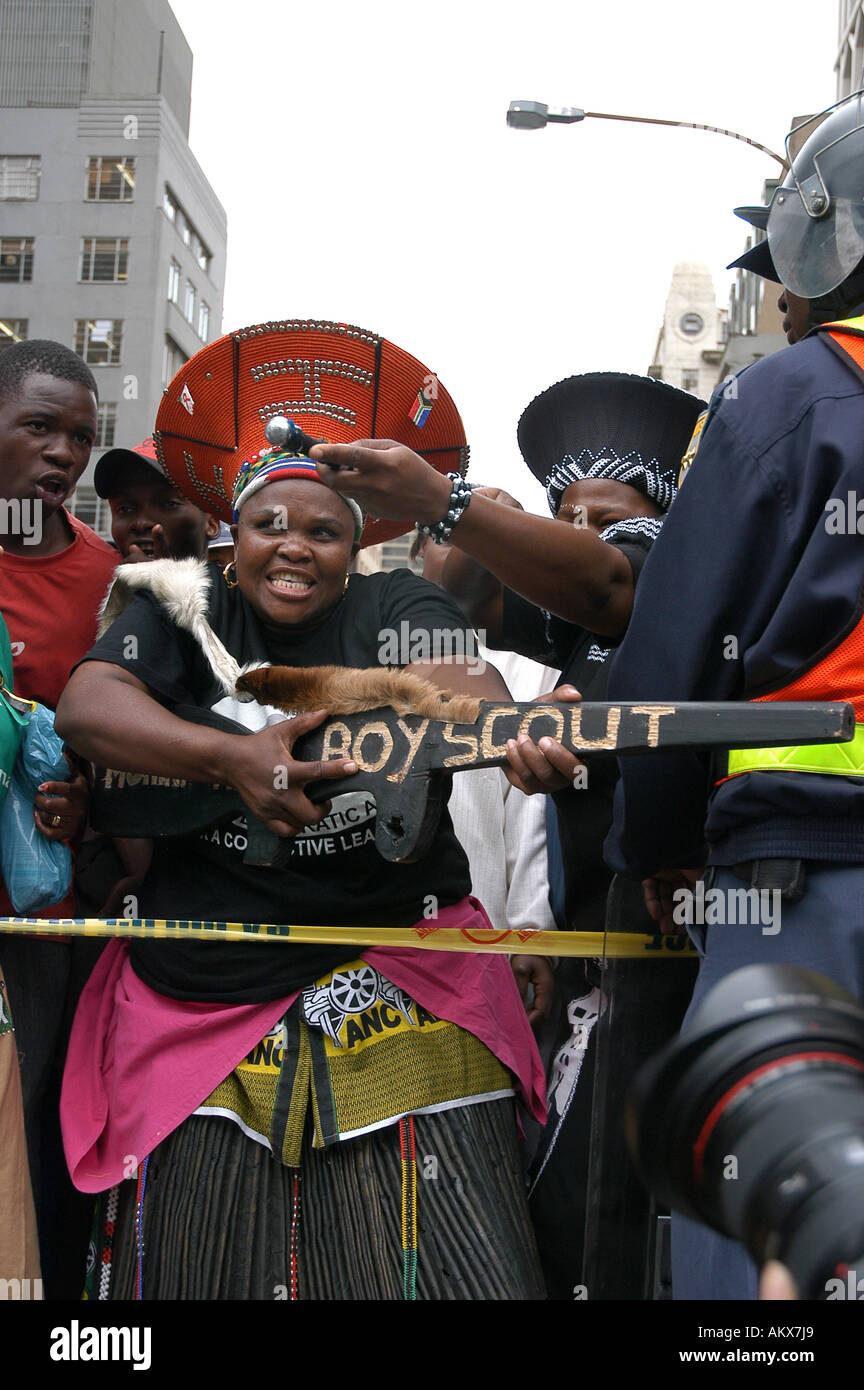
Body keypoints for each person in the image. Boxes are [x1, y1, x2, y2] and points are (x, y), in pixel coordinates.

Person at [55, 322, 546, 1300]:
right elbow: (87, 705)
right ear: (236, 533)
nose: (294, 549)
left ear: (355, 544)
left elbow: (465, 685)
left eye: (322, 530)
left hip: (392, 967)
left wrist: (511, 730)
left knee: (455, 1269)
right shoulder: (181, 604)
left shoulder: (402, 603)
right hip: (199, 986)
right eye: (272, 525)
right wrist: (231, 757)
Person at [310, 372, 704, 1298]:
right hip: (582, 952)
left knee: (624, 1208)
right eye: (562, 513)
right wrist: (473, 513)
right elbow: (453, 594)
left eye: (605, 515)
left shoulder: (666, 579)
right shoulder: (567, 617)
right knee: (574, 1205)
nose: (582, 534)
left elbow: (610, 577)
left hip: (667, 952)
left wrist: (441, 499)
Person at [605, 91, 864, 1300]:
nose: (778, 299)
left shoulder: (784, 397)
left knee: (760, 1217)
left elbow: (675, 653)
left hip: (803, 890)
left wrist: (651, 841)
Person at [0, 339, 115, 1294]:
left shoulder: (110, 582)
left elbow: (123, 738)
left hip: (44, 907)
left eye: (80, 436)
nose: (63, 455)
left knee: (40, 1109)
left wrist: (84, 799)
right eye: (39, 427)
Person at [94, 435, 220, 561]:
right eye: (125, 509)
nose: (141, 524)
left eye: (168, 504)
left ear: (212, 522)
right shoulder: (92, 577)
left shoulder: (236, 579)